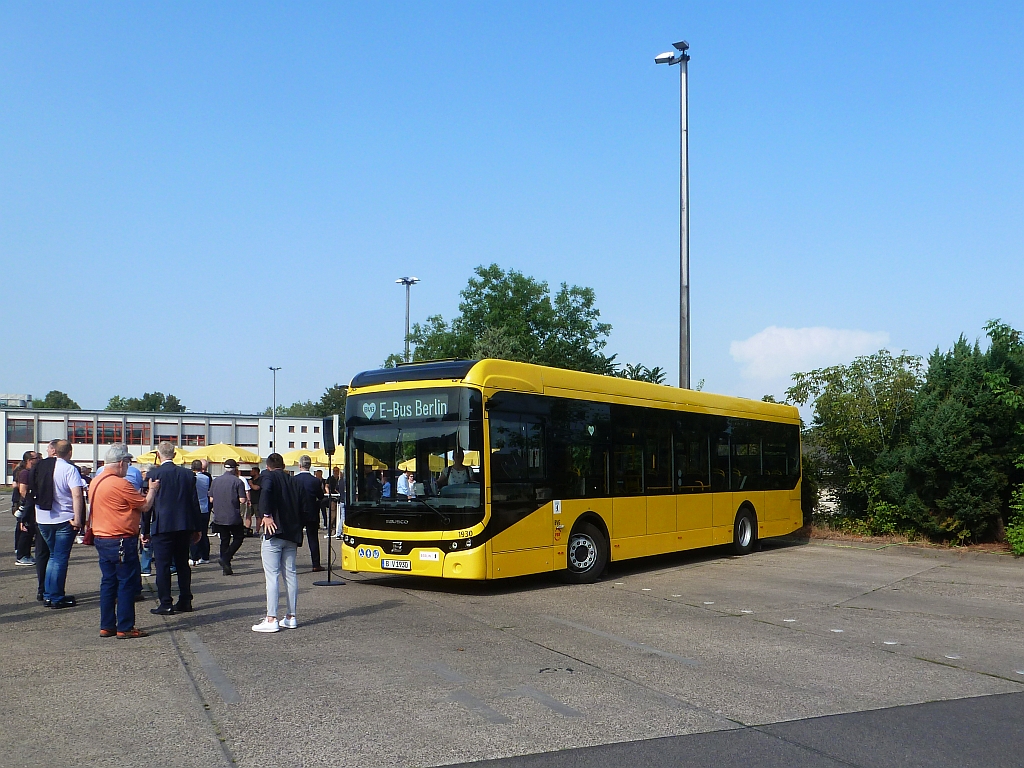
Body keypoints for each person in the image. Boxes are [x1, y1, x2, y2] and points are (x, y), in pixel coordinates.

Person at [89, 444, 160, 639]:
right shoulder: (121, 484)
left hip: (102, 537)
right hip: (121, 538)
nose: (128, 468)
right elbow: (145, 506)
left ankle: (107, 625)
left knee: (108, 582)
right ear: (121, 463)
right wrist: (152, 490)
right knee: (126, 583)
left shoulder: (96, 481)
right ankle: (125, 627)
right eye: (128, 463)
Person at [144, 441, 203, 615]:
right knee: (182, 564)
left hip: (162, 525)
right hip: (184, 524)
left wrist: (144, 529)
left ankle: (166, 602)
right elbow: (194, 503)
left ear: (158, 454)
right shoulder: (187, 475)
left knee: (162, 566)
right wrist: (198, 527)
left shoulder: (153, 474)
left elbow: (147, 504)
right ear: (175, 455)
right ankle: (185, 600)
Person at [252, 453, 304, 633]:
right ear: (284, 465)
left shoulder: (269, 477)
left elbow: (266, 491)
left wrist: (266, 514)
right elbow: (304, 506)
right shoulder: (294, 481)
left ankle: (271, 618)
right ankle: (291, 616)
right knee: (290, 574)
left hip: (274, 532)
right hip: (292, 533)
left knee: (272, 575)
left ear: (268, 466)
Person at [30, 440, 85, 608]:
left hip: (43, 518)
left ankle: (48, 594)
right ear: (70, 452)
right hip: (64, 518)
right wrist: (78, 518)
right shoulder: (69, 469)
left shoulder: (40, 467)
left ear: (54, 451)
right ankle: (56, 596)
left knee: (53, 557)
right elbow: (76, 495)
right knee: (59, 558)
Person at [210, 459, 248, 575]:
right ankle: (226, 558)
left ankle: (226, 566)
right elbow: (242, 500)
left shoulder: (216, 481)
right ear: (235, 468)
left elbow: (211, 499)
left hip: (219, 515)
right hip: (233, 515)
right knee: (239, 537)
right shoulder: (238, 481)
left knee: (224, 539)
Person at [292, 455, 324, 572]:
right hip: (312, 512)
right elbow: (320, 496)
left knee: (294, 539)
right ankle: (316, 564)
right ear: (309, 466)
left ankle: (290, 563)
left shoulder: (294, 480)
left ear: (300, 465)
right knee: (313, 539)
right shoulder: (315, 481)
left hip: (297, 513)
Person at [12, 450, 39, 566]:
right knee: (25, 529)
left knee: (30, 530)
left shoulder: (31, 472)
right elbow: (23, 491)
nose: (38, 460)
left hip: (29, 505)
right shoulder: (25, 473)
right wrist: (27, 503)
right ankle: (22, 556)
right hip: (25, 505)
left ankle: (26, 554)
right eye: (36, 458)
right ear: (29, 460)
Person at [188, 459, 212, 566]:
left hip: (194, 509)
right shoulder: (206, 478)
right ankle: (205, 556)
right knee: (204, 533)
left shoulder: (192, 478)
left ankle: (194, 557)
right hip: (205, 508)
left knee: (193, 533)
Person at [246, 467, 262, 537]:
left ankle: (257, 531)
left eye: (252, 471)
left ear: (256, 472)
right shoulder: (250, 479)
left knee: (258, 516)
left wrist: (251, 484)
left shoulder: (260, 480)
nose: (250, 472)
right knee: (248, 515)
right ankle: (247, 530)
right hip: (250, 501)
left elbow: (256, 488)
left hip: (258, 501)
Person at [334, 469, 347, 539]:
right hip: (346, 501)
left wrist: (340, 493)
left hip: (341, 500)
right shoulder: (349, 481)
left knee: (342, 517)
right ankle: (340, 532)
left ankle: (339, 532)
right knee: (344, 517)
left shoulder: (340, 481)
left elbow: (336, 489)